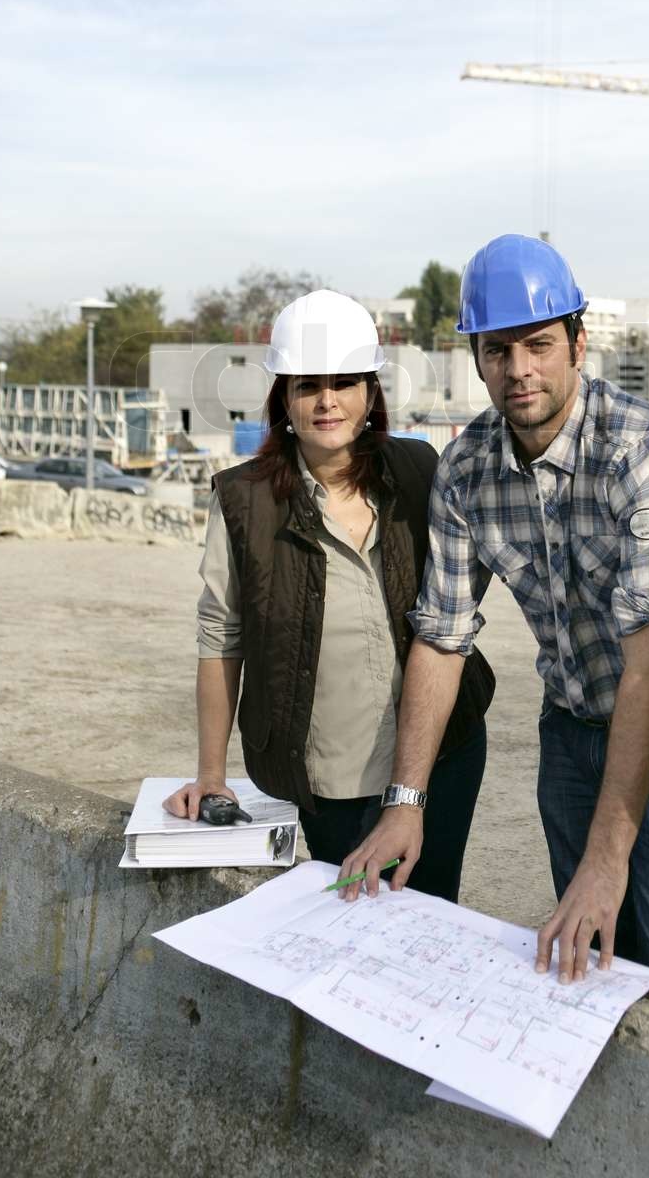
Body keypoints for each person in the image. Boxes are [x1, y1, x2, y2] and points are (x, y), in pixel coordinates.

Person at [339, 234, 649, 999]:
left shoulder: (639, 450)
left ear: (578, 343)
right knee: (589, 964)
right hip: (570, 730)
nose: (518, 370)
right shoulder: (465, 470)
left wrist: (604, 858)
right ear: (476, 358)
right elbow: (441, 637)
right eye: (497, 350)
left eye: (538, 344)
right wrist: (404, 804)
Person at [165, 290, 494, 901]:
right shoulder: (245, 501)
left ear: (371, 394)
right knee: (353, 922)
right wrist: (212, 777)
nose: (326, 401)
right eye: (306, 385)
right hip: (329, 777)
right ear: (282, 399)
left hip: (442, 754)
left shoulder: (419, 471)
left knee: (433, 913)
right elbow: (220, 637)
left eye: (344, 383)